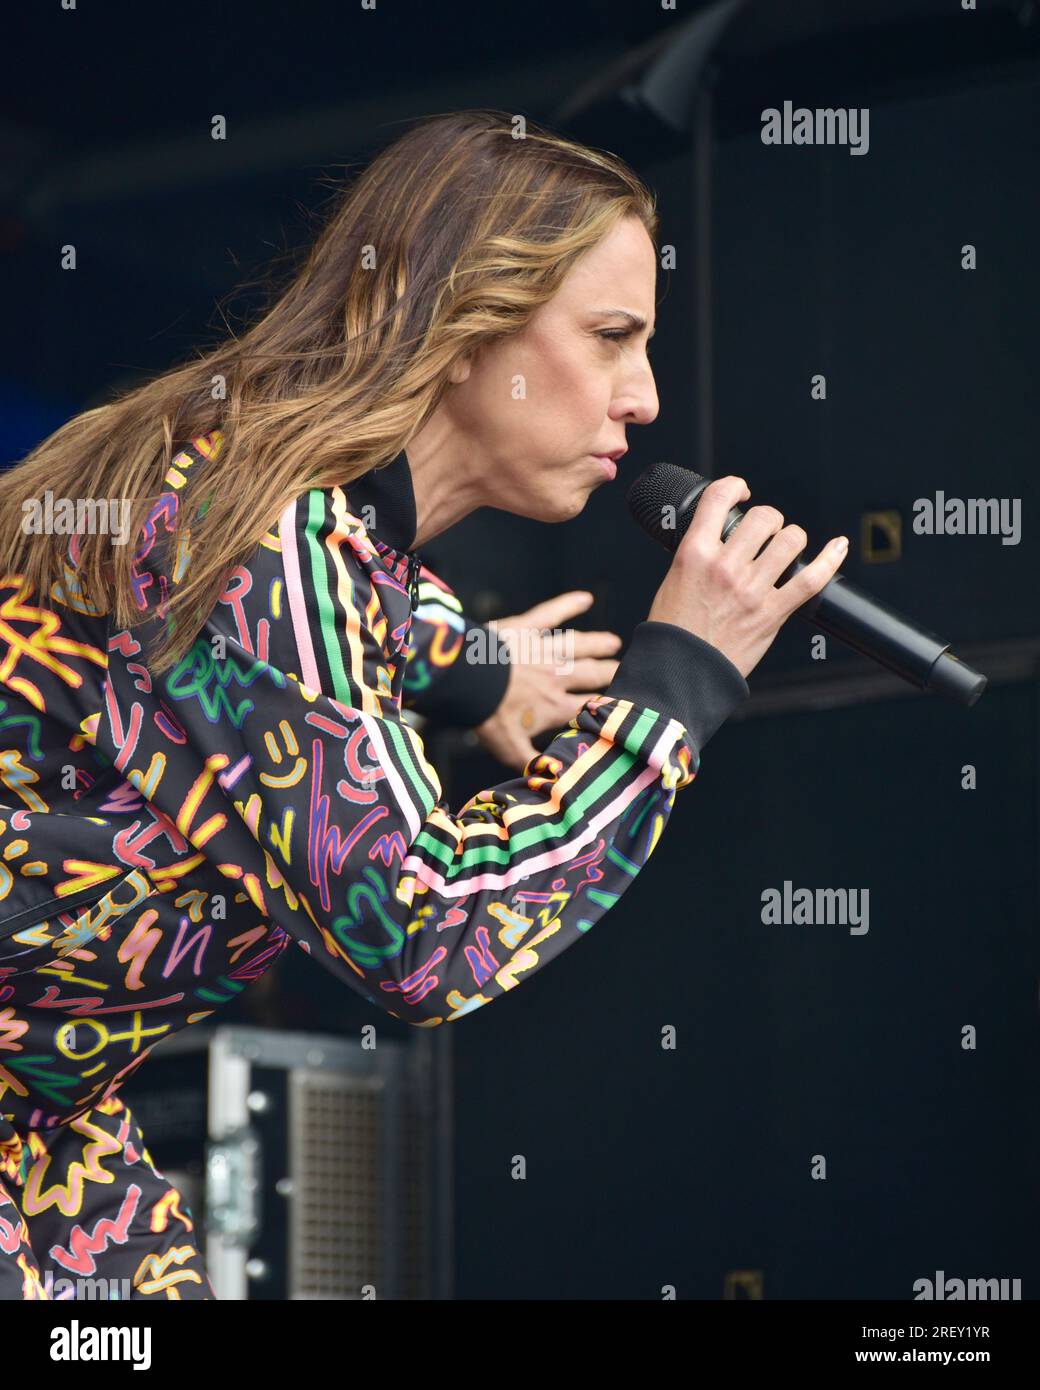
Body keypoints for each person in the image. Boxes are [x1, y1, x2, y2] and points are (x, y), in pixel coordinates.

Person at [0, 109, 848, 1300]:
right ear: (455, 328)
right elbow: (422, 933)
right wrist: (677, 680)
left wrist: (482, 671)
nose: (644, 397)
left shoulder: (310, 532)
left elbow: (375, 630)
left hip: (43, 1142)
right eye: (609, 338)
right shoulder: (258, 529)